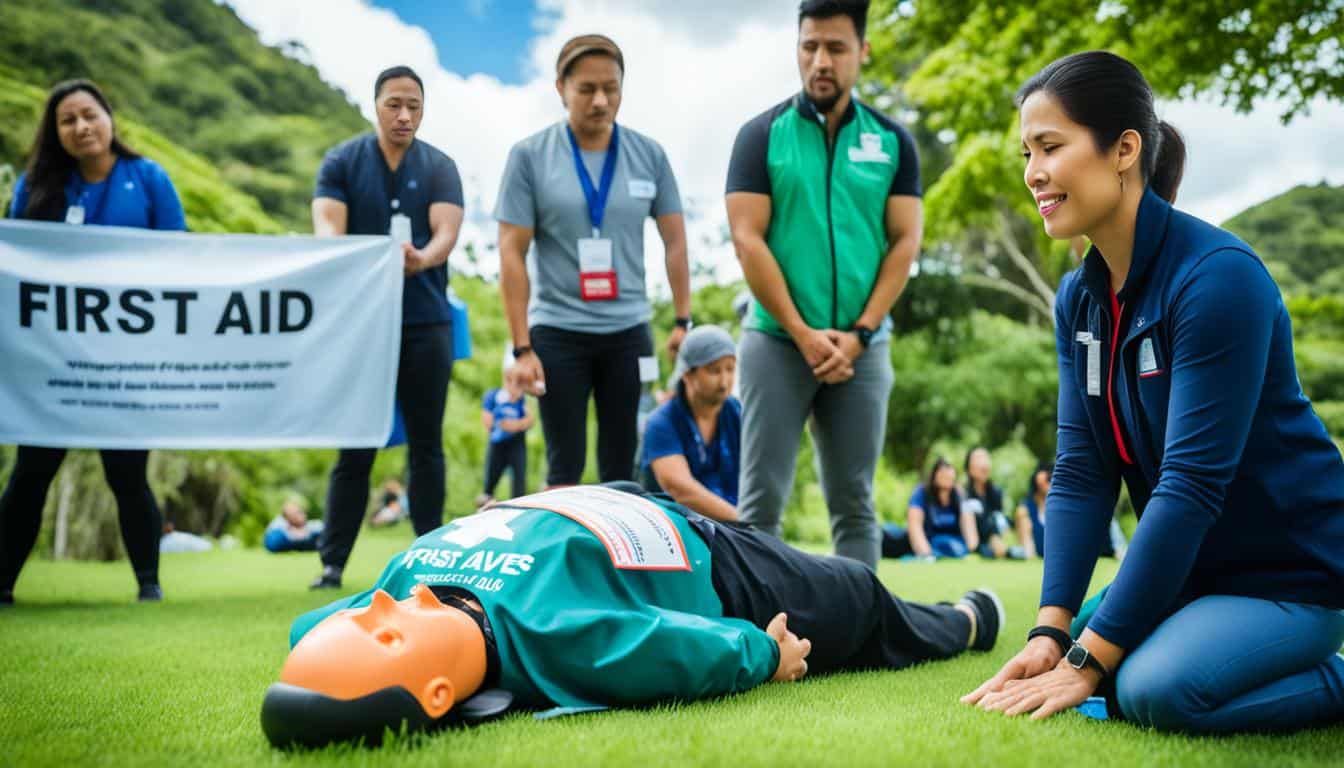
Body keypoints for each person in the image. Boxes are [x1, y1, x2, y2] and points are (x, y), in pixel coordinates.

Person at [965, 51, 1344, 734]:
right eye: (1028, 153)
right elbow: (1081, 472)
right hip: (1192, 572)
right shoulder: (1078, 299)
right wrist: (1050, 632)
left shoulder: (1218, 277)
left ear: (1124, 150)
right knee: (1085, 643)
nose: (1033, 173)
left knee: (1152, 690)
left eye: (1050, 146)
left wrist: (1089, 661)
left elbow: (1190, 485)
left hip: (1292, 575)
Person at [260, 483, 1003, 748]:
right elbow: (675, 648)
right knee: (856, 593)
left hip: (602, 501)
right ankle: (965, 621)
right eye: (385, 635)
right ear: (436, 696)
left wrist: (328, 664)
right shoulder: (560, 638)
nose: (377, 607)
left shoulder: (399, 587)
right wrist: (764, 653)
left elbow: (309, 635)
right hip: (705, 564)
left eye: (359, 616)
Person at [725, 0, 923, 569]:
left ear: (862, 51)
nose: (820, 61)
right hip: (776, 341)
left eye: (835, 48)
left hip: (864, 348)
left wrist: (860, 333)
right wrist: (802, 332)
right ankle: (757, 618)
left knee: (855, 505)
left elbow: (905, 241)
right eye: (809, 47)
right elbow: (747, 239)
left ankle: (859, 616)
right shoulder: (760, 136)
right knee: (760, 505)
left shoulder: (892, 141)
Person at [0, 79, 186, 606]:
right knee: (32, 471)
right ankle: (3, 584)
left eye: (89, 115)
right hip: (53, 361)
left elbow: (185, 259)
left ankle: (148, 584)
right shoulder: (36, 186)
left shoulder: (148, 177)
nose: (81, 127)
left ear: (109, 117)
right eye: (68, 120)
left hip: (126, 361)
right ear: (55, 132)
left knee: (127, 472)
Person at [496, 34, 692, 488]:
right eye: (586, 89)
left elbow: (676, 240)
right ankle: (564, 537)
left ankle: (618, 539)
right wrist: (521, 347)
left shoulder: (649, 155)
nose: (600, 101)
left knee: (623, 467)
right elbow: (511, 252)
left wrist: (683, 319)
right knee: (564, 465)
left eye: (611, 88)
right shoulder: (529, 156)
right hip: (557, 331)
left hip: (628, 330)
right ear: (560, 88)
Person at [309, 66, 465, 589]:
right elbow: (327, 229)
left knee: (427, 445)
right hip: (363, 326)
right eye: (394, 104)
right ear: (375, 105)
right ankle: (332, 565)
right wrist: (361, 260)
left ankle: (433, 560)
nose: (404, 115)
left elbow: (446, 232)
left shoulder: (440, 166)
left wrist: (423, 257)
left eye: (414, 106)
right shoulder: (342, 161)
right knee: (355, 445)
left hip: (427, 322)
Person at [640, 326, 741, 522]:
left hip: (734, 527)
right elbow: (681, 490)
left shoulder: (736, 412)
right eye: (714, 371)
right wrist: (745, 521)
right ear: (687, 375)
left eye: (730, 369)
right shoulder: (661, 422)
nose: (724, 382)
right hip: (676, 528)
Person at [881, 457, 977, 559]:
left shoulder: (959, 495)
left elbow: (971, 537)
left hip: (950, 543)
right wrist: (926, 553)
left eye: (949, 477)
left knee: (953, 547)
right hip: (926, 540)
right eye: (943, 475)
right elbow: (915, 525)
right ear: (934, 476)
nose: (947, 479)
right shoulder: (921, 492)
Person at [477, 375, 533, 506]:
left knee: (519, 483)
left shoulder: (521, 401)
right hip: (497, 444)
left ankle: (518, 507)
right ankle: (485, 504)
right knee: (490, 483)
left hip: (517, 444)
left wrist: (515, 425)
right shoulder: (493, 396)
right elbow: (487, 422)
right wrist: (502, 420)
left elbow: (530, 420)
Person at [963, 447, 1025, 560]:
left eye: (986, 458)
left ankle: (1005, 549)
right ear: (969, 468)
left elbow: (999, 519)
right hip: (973, 541)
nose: (984, 463)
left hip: (994, 537)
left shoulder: (995, 493)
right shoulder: (963, 493)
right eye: (978, 459)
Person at [1014, 462, 1051, 559]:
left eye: (1049, 480)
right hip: (1033, 552)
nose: (1048, 485)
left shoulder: (1061, 507)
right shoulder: (1025, 509)